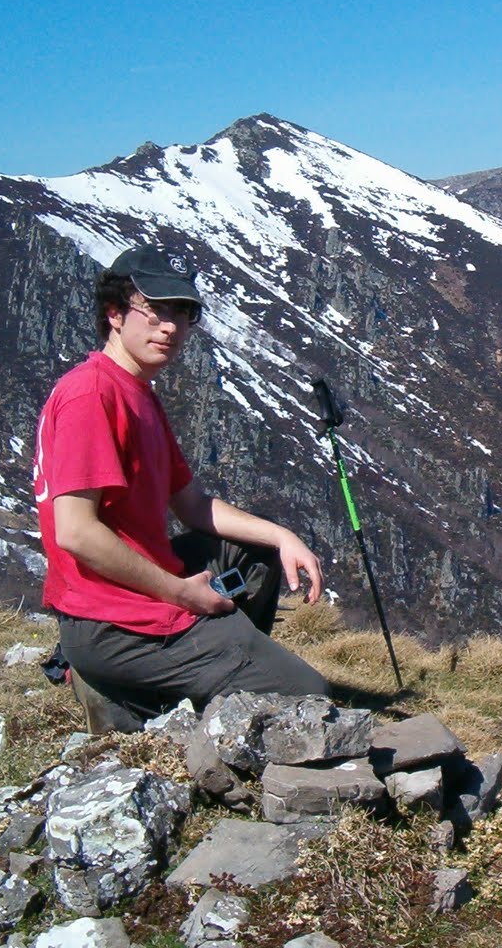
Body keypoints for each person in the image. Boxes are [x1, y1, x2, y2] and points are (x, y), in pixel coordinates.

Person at [34, 245, 330, 731]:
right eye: (155, 312)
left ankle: (192, 684)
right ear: (114, 314)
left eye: (183, 313)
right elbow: (76, 533)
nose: (170, 327)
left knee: (252, 554)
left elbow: (190, 505)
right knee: (308, 697)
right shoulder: (91, 395)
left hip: (130, 592)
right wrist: (180, 593)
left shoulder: (135, 392)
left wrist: (280, 536)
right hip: (111, 619)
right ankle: (132, 690)